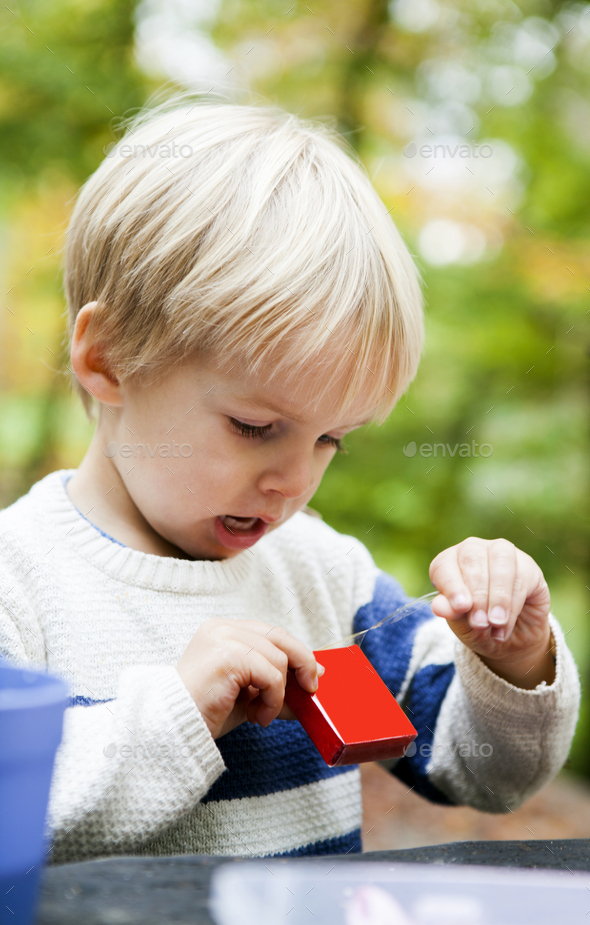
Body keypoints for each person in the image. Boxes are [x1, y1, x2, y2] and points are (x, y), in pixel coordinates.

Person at [0, 95, 579, 864]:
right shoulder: (21, 582)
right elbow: (17, 809)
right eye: (254, 427)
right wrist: (178, 712)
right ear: (107, 358)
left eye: (330, 438)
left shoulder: (323, 575)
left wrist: (514, 661)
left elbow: (486, 775)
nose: (293, 481)